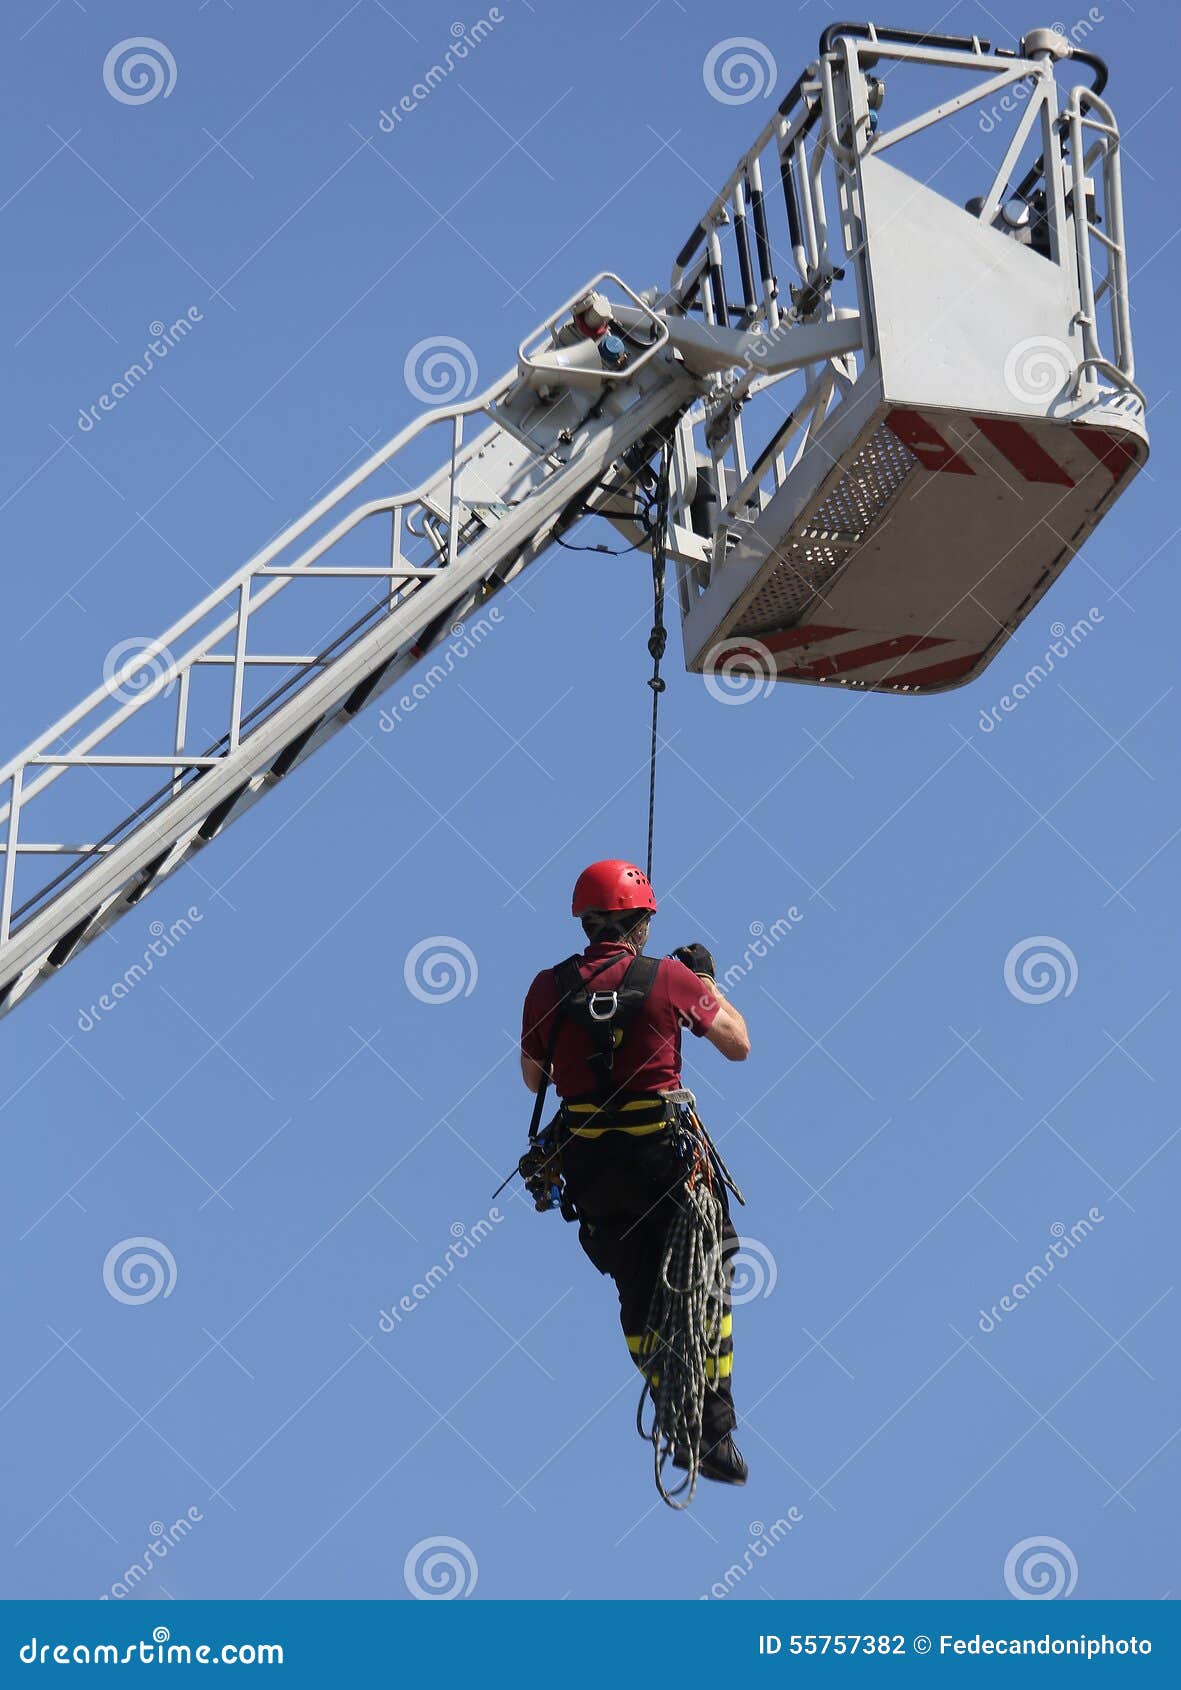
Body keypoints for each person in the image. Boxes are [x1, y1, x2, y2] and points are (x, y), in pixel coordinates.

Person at [519, 858, 751, 1485]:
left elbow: (534, 1078)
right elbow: (737, 1043)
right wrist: (703, 981)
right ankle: (713, 1428)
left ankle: (674, 1413)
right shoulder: (669, 978)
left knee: (636, 1290)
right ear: (641, 924)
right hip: (664, 1163)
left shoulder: (546, 988)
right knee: (713, 1263)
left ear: (586, 922)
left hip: (594, 1170)